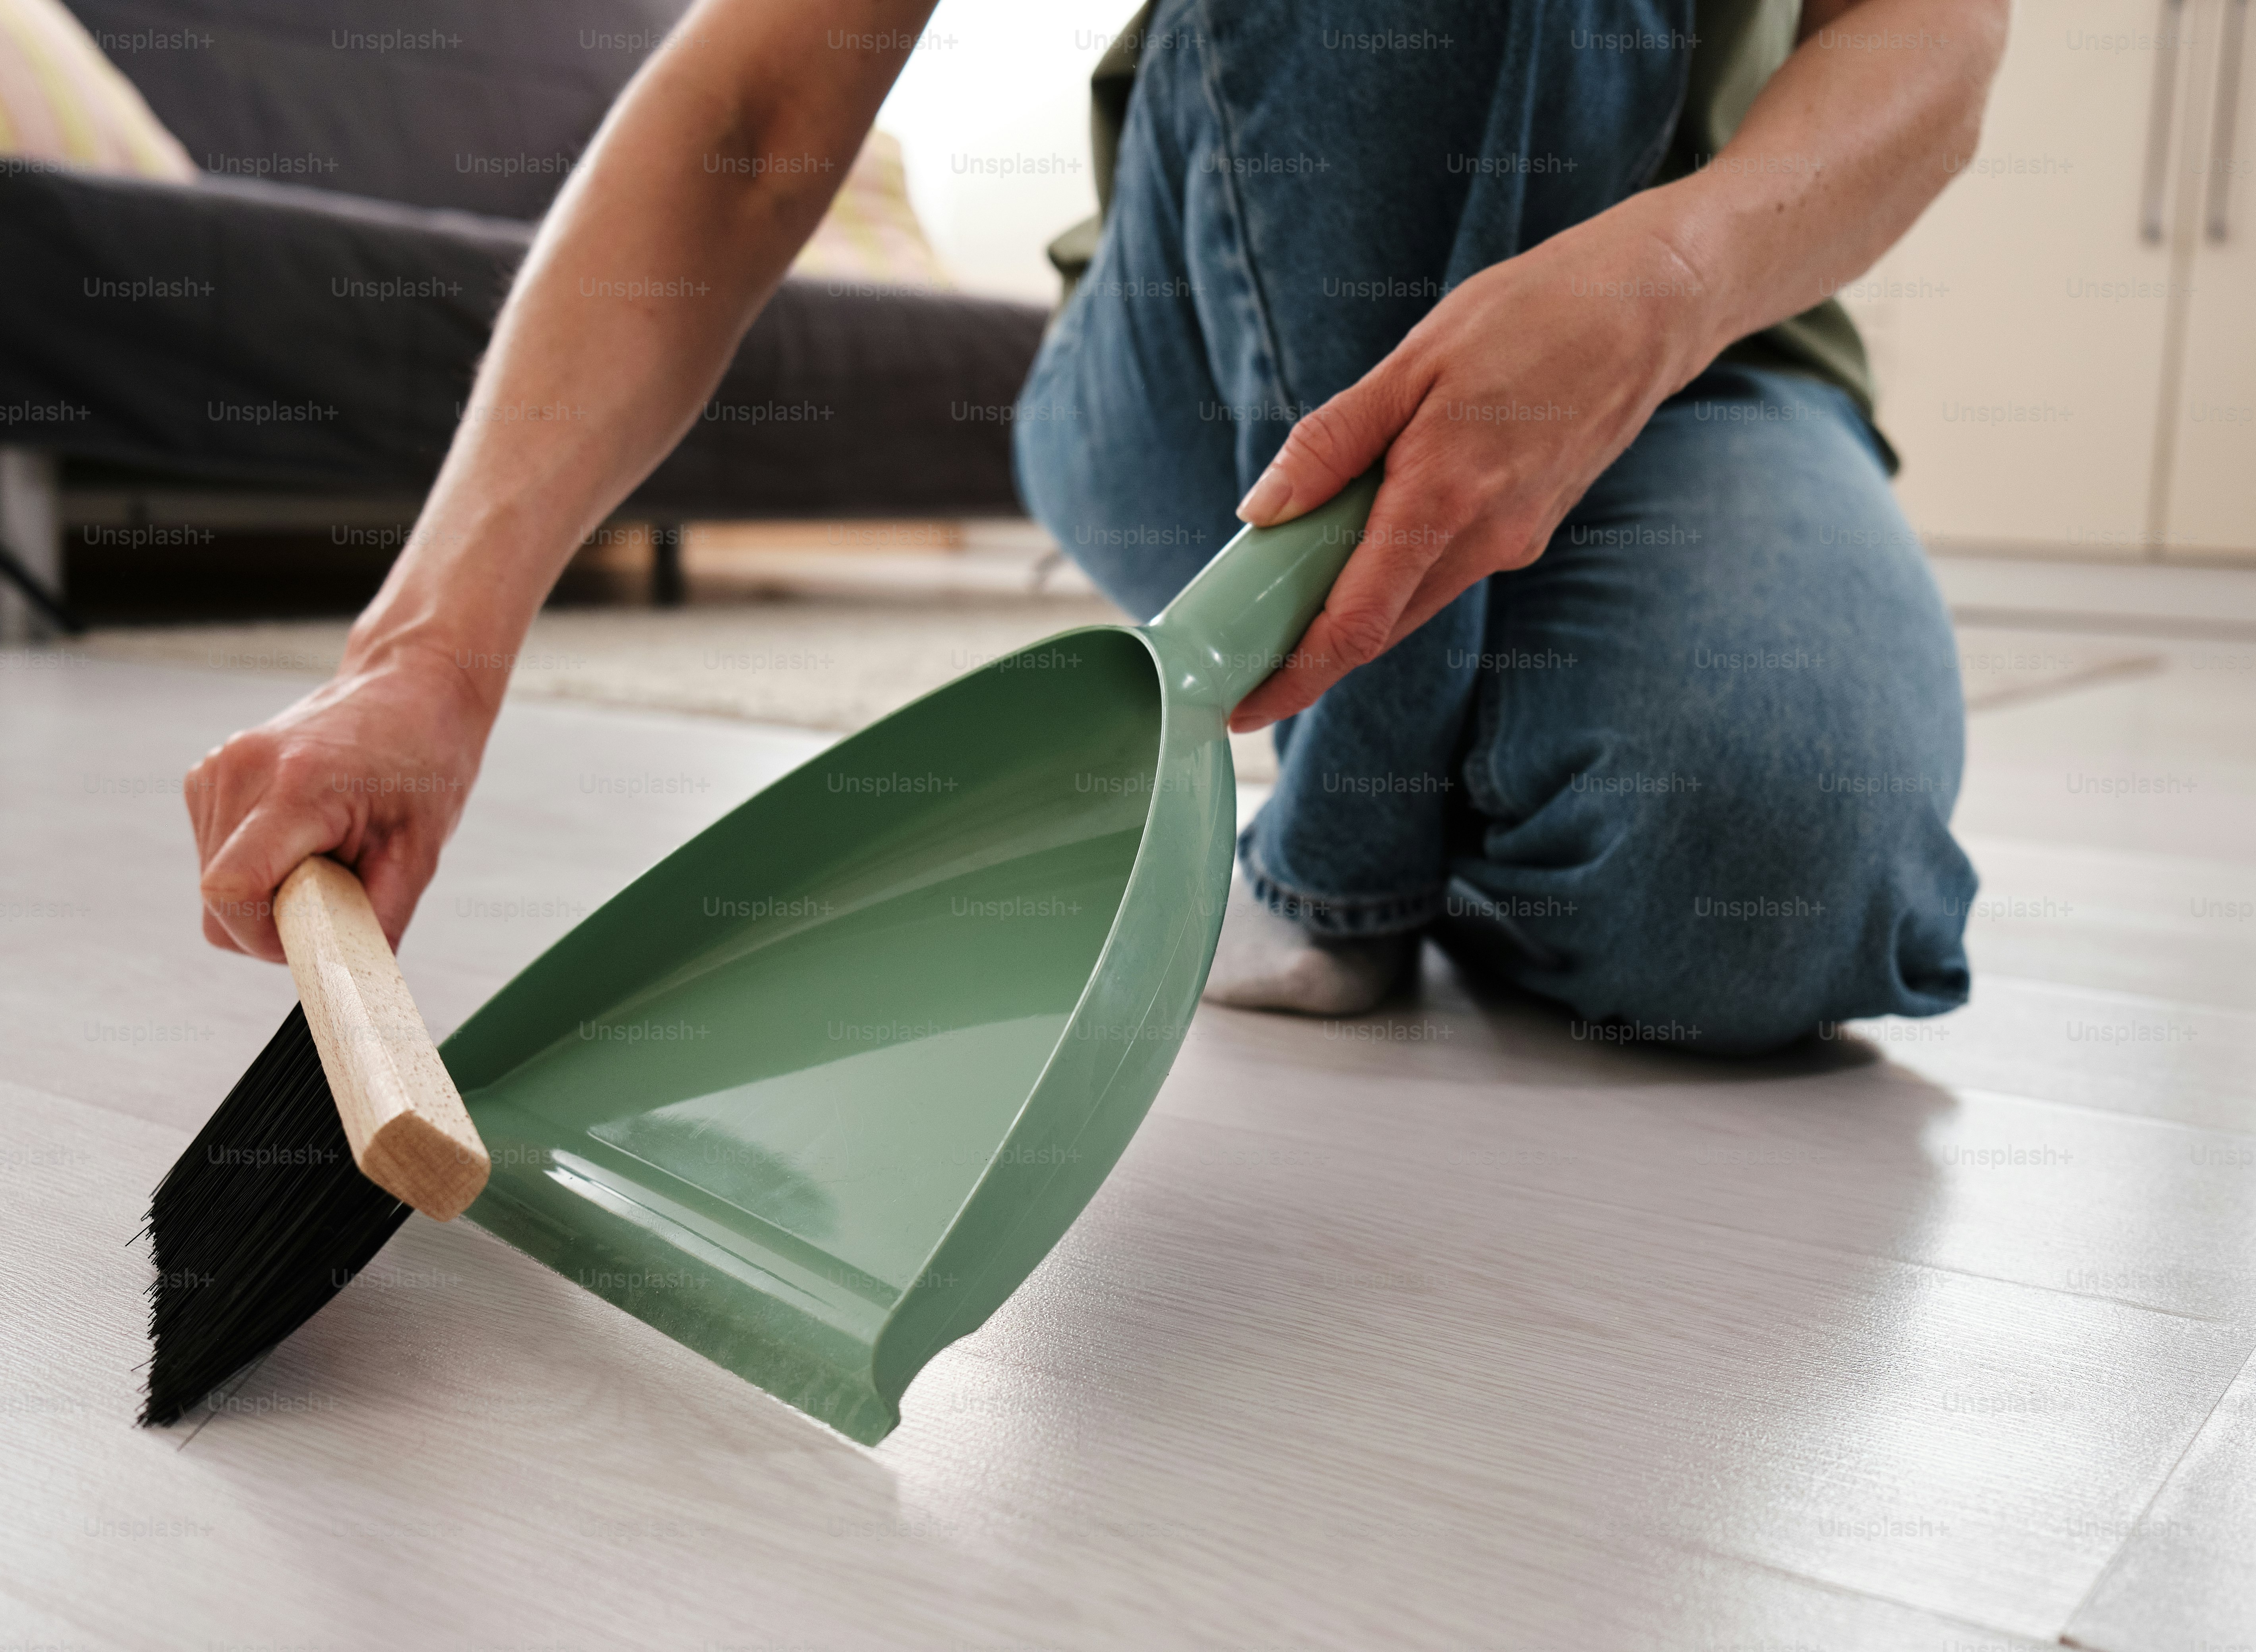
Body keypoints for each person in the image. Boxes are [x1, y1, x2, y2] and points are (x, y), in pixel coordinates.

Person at [187, 0, 2003, 1056]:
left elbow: (1934, 33)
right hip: (1216, 378)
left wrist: (1667, 283)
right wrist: (426, 653)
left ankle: (1428, 765)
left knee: (1765, 855)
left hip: (1696, 355)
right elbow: (755, 95)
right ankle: (1338, 855)